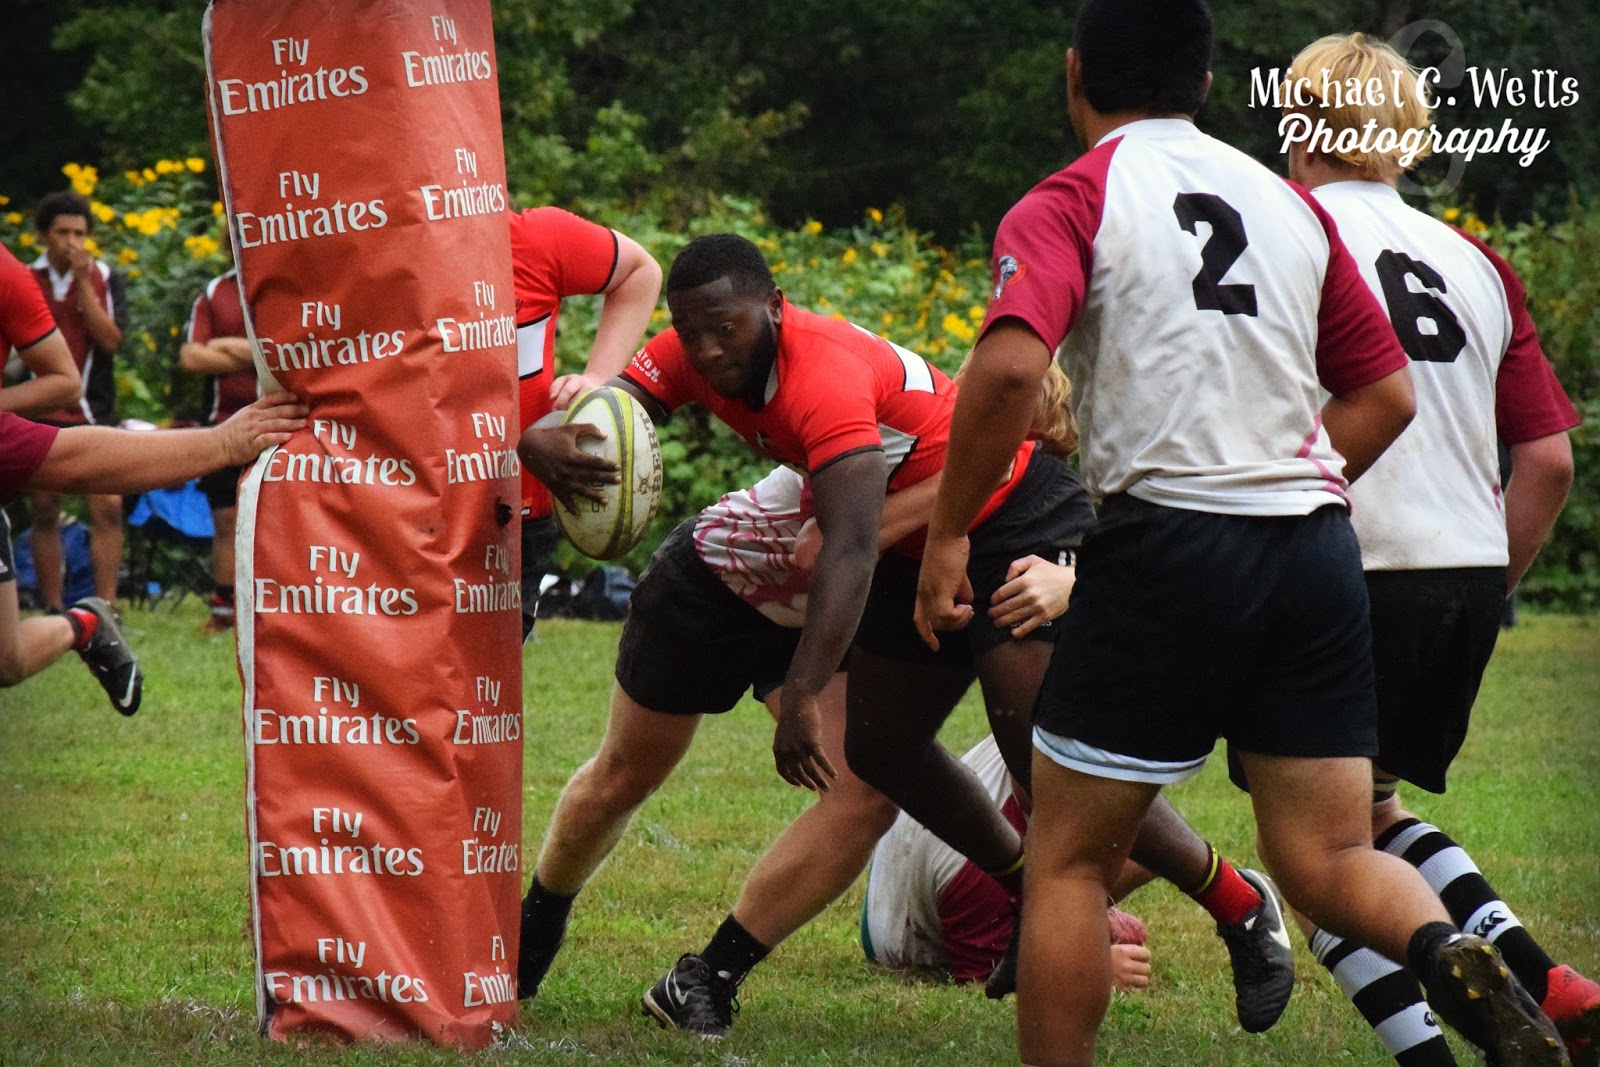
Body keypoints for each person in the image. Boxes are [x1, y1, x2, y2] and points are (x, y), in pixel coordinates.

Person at [913, 2, 1567, 1065]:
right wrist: (1285, 485)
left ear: (1074, 74)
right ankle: (1446, 944)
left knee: (1070, 859)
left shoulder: (1073, 195)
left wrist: (948, 534)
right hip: (1313, 552)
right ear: (1209, 84)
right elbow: (1385, 396)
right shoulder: (1286, 204)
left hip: (1168, 541)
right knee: (1329, 851)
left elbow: (1006, 370)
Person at [525, 286, 1292, 1037]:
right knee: (866, 750)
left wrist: (1069, 580)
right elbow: (831, 539)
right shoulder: (777, 370)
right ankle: (539, 928)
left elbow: (856, 545)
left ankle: (1234, 902)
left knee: (1030, 763)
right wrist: (536, 437)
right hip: (732, 581)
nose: (711, 347)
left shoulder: (969, 457)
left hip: (866, 572)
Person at [1276, 34, 1594, 1067]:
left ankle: (1435, 1050)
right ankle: (1543, 980)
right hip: (1457, 571)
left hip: (1336, 562)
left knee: (1314, 851)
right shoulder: (1474, 259)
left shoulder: (1286, 227)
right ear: (1406, 136)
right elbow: (1545, 460)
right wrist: (1482, 581)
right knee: (1366, 812)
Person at [0, 260, 305, 712]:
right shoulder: (213, 292)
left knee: (8, 661)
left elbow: (73, 434)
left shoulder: (11, 274)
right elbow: (192, 355)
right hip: (215, 428)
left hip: (85, 429)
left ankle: (87, 621)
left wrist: (223, 441)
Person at [862, 734, 1153, 994]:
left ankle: (1071, 911)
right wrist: (1091, 970)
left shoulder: (1030, 730)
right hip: (903, 936)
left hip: (896, 871)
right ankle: (1065, 916)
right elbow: (989, 987)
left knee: (1145, 853)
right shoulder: (985, 861)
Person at [505, 206, 661, 642]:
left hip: (518, 519)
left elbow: (639, 272)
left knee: (485, 697)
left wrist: (597, 377)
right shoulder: (389, 246)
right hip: (405, 511)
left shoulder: (534, 238)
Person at [25, 191, 130, 613]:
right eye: (63, 232)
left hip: (93, 408)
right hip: (40, 409)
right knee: (45, 508)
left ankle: (105, 608)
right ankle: (53, 606)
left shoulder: (104, 276)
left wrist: (84, 282)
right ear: (44, 236)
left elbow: (111, 340)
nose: (72, 242)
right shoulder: (25, 279)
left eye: (81, 233)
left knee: (107, 507)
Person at [179, 261, 256, 632]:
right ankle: (225, 612)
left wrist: (229, 348)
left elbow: (293, 354)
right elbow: (192, 356)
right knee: (227, 518)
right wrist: (258, 354)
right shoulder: (214, 292)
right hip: (223, 422)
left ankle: (277, 610)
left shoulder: (288, 281)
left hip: (285, 419)